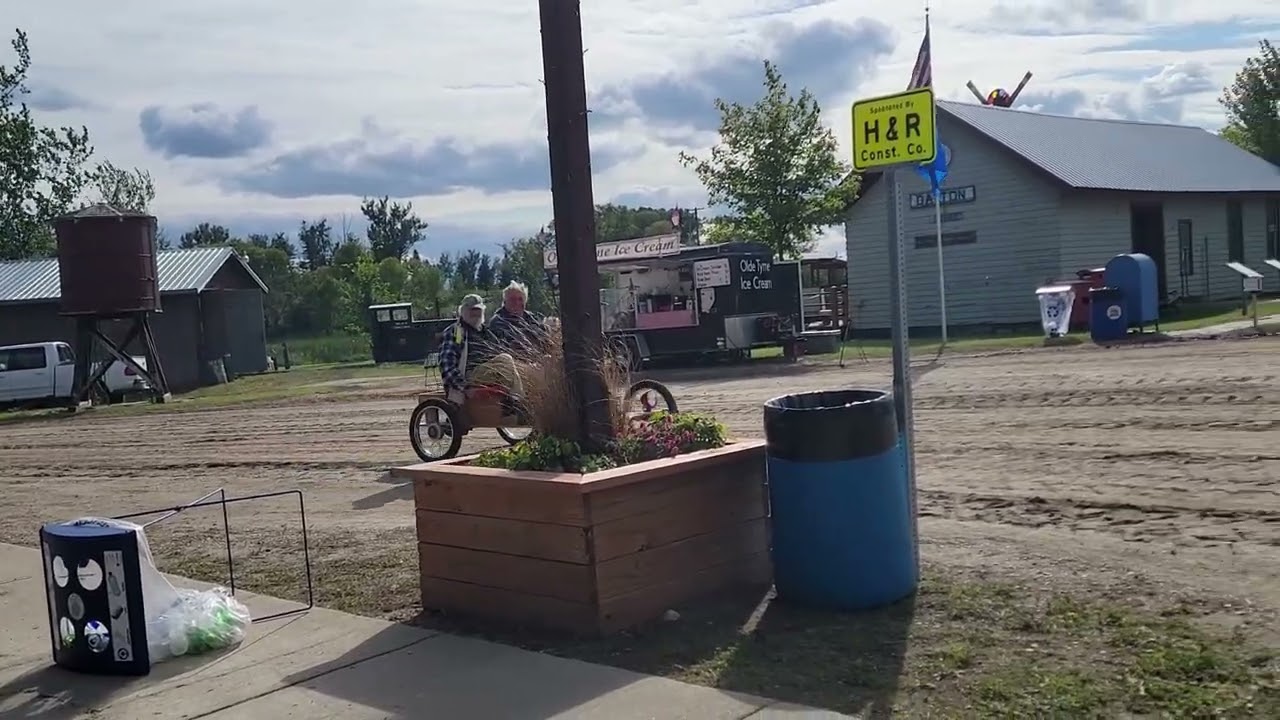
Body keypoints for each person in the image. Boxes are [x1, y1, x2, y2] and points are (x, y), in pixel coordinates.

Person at [437, 294, 524, 406]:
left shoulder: (486, 332)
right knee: (505, 359)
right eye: (472, 310)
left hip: (490, 372)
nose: (476, 313)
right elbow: (447, 365)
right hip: (470, 375)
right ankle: (518, 402)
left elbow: (499, 350)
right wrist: (465, 387)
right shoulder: (457, 332)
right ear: (463, 311)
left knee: (520, 368)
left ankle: (513, 404)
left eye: (478, 310)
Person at [487, 281, 550, 357]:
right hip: (514, 362)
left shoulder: (531, 317)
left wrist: (547, 328)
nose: (516, 302)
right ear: (505, 302)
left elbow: (543, 338)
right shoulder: (498, 321)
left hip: (537, 359)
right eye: (512, 299)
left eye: (520, 299)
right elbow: (508, 346)